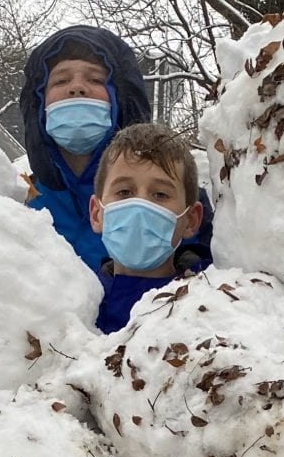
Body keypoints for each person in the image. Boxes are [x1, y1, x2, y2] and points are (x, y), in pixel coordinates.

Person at [18, 26, 212, 275]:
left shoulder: (180, 198)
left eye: (95, 79)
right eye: (61, 80)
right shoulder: (21, 202)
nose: (77, 88)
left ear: (122, 97)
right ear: (39, 102)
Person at [89, 122, 211, 334]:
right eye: (124, 192)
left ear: (191, 220)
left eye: (160, 194)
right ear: (96, 214)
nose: (140, 206)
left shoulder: (212, 300)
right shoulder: (78, 303)